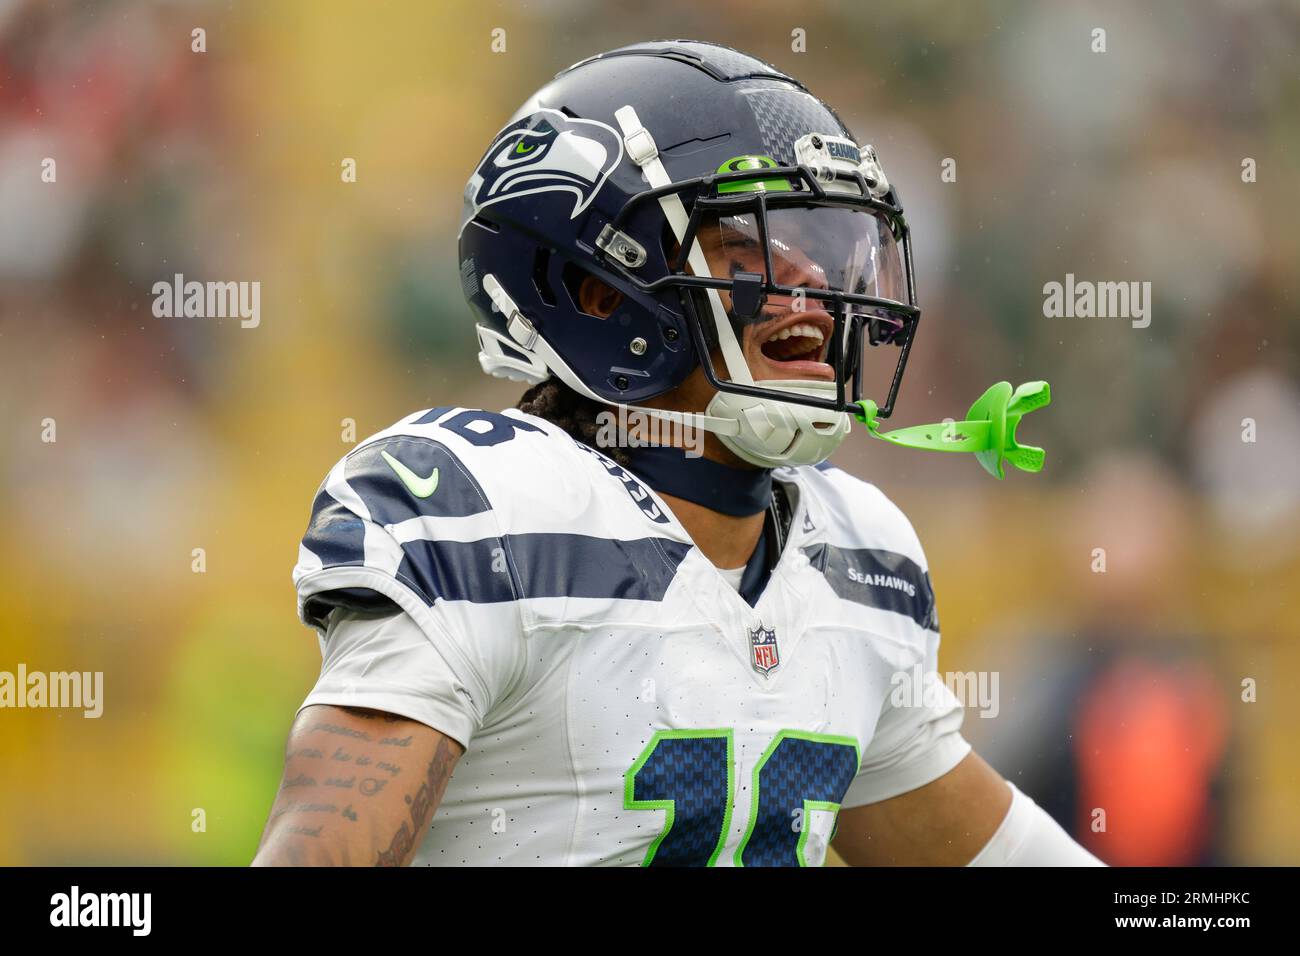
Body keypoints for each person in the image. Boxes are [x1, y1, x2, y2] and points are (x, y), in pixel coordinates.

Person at [253, 40, 1100, 867]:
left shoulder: (853, 555)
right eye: (746, 247)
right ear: (601, 294)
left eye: (824, 243)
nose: (811, 282)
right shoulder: (486, 513)